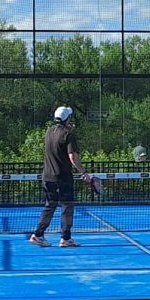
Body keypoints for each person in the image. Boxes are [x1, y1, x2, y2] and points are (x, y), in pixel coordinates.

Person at [30, 106, 91, 248]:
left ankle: (38, 235)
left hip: (47, 177)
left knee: (49, 205)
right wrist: (84, 173)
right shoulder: (68, 134)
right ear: (66, 119)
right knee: (67, 206)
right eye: (70, 117)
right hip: (62, 178)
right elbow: (73, 157)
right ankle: (65, 238)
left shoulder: (49, 132)